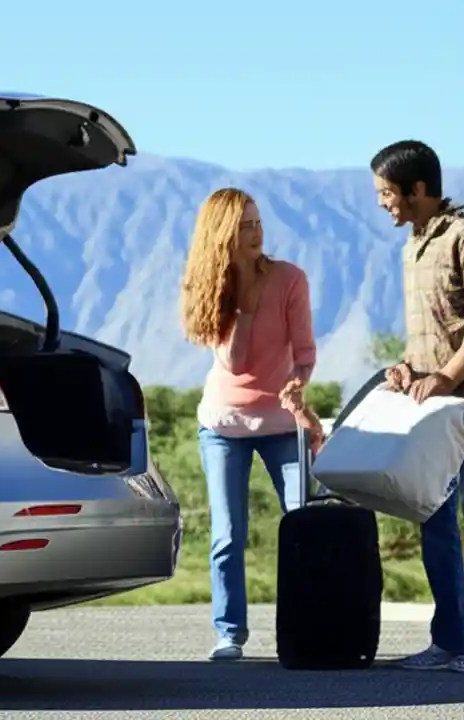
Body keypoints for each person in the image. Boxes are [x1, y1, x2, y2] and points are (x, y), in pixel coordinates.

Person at [370, 140, 464, 674]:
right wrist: (409, 371)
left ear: (418, 190)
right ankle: (450, 642)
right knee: (434, 522)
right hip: (429, 407)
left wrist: (446, 377)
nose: (383, 203)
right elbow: (432, 332)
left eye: (388, 193)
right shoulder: (411, 246)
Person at [179, 187, 322, 661]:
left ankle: (307, 625)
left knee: (303, 522)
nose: (256, 232)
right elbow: (237, 364)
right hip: (224, 424)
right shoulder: (207, 287)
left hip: (281, 421)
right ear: (223, 233)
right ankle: (229, 633)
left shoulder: (291, 279)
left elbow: (304, 353)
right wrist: (243, 298)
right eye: (244, 225)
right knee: (228, 534)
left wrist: (298, 383)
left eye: (258, 222)